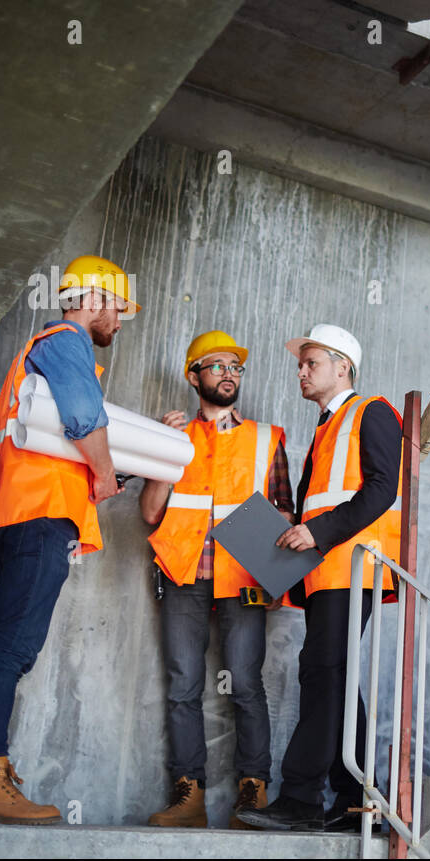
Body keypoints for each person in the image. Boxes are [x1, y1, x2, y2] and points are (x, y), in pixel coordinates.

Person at [0, 254, 137, 823]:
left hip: (27, 512)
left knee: (13, 645)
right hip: (37, 515)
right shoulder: (64, 339)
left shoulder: (54, 350)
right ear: (91, 301)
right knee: (10, 647)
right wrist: (108, 475)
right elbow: (84, 416)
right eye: (117, 309)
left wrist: (118, 467)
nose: (119, 321)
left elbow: (66, 437)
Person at [238, 324, 401, 832]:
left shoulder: (370, 410)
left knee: (322, 672)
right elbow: (315, 507)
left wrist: (318, 533)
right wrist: (286, 543)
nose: (301, 372)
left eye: (311, 363)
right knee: (335, 677)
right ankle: (359, 802)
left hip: (354, 566)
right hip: (326, 572)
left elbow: (382, 489)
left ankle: (303, 798)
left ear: (342, 367)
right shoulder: (327, 428)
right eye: (301, 364)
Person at [140, 330, 293, 829]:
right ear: (194, 376)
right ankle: (189, 797)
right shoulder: (174, 436)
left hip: (244, 579)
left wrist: (277, 581)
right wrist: (162, 451)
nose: (229, 372)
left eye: (236, 366)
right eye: (217, 365)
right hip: (184, 574)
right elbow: (149, 512)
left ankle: (253, 793)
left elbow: (285, 517)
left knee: (245, 684)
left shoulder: (267, 438)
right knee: (184, 685)